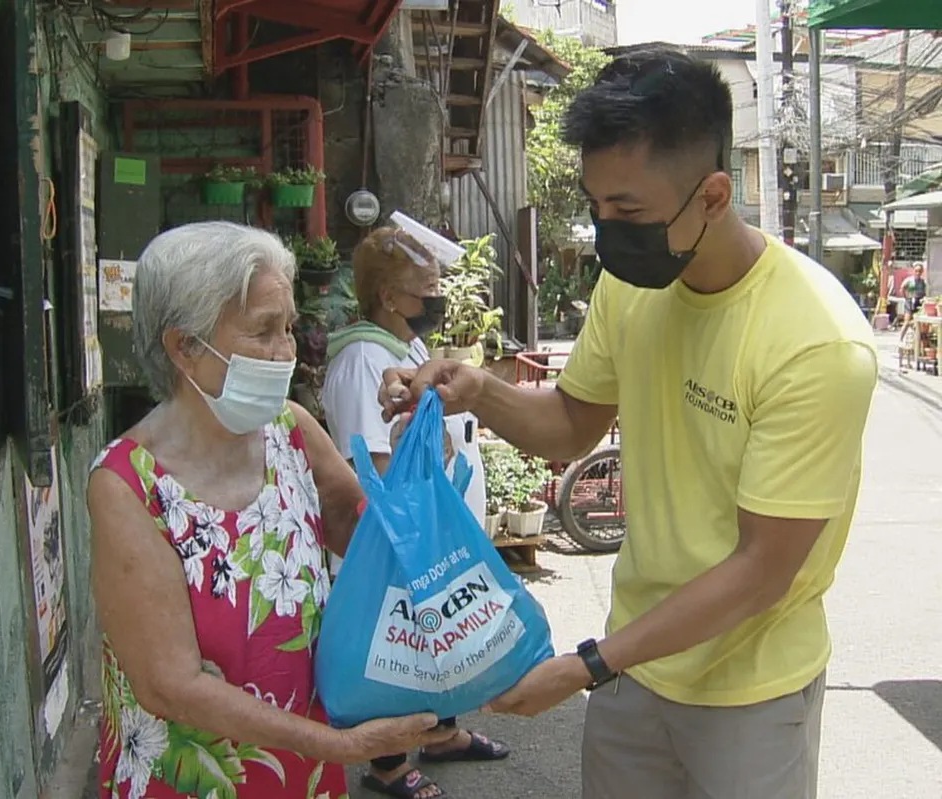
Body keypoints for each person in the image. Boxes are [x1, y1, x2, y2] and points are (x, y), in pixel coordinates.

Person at [379, 49, 878, 799]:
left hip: (749, 687)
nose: (607, 233)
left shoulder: (814, 342)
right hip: (633, 667)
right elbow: (572, 425)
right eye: (597, 206)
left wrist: (589, 664)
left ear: (713, 194)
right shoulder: (633, 286)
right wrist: (477, 390)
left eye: (630, 211)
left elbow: (761, 568)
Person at [87, 221, 457, 799]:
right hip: (193, 781)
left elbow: (368, 536)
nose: (286, 350)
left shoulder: (289, 430)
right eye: (263, 331)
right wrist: (342, 746)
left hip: (302, 774)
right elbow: (171, 687)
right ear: (184, 346)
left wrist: (415, 460)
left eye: (288, 326)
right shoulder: (128, 485)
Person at [320, 227, 508, 799]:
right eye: (425, 287)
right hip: (399, 533)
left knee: (434, 639)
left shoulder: (407, 348)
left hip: (431, 524)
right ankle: (388, 766)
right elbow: (372, 463)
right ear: (388, 298)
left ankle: (442, 732)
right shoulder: (361, 359)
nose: (437, 296)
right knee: (398, 645)